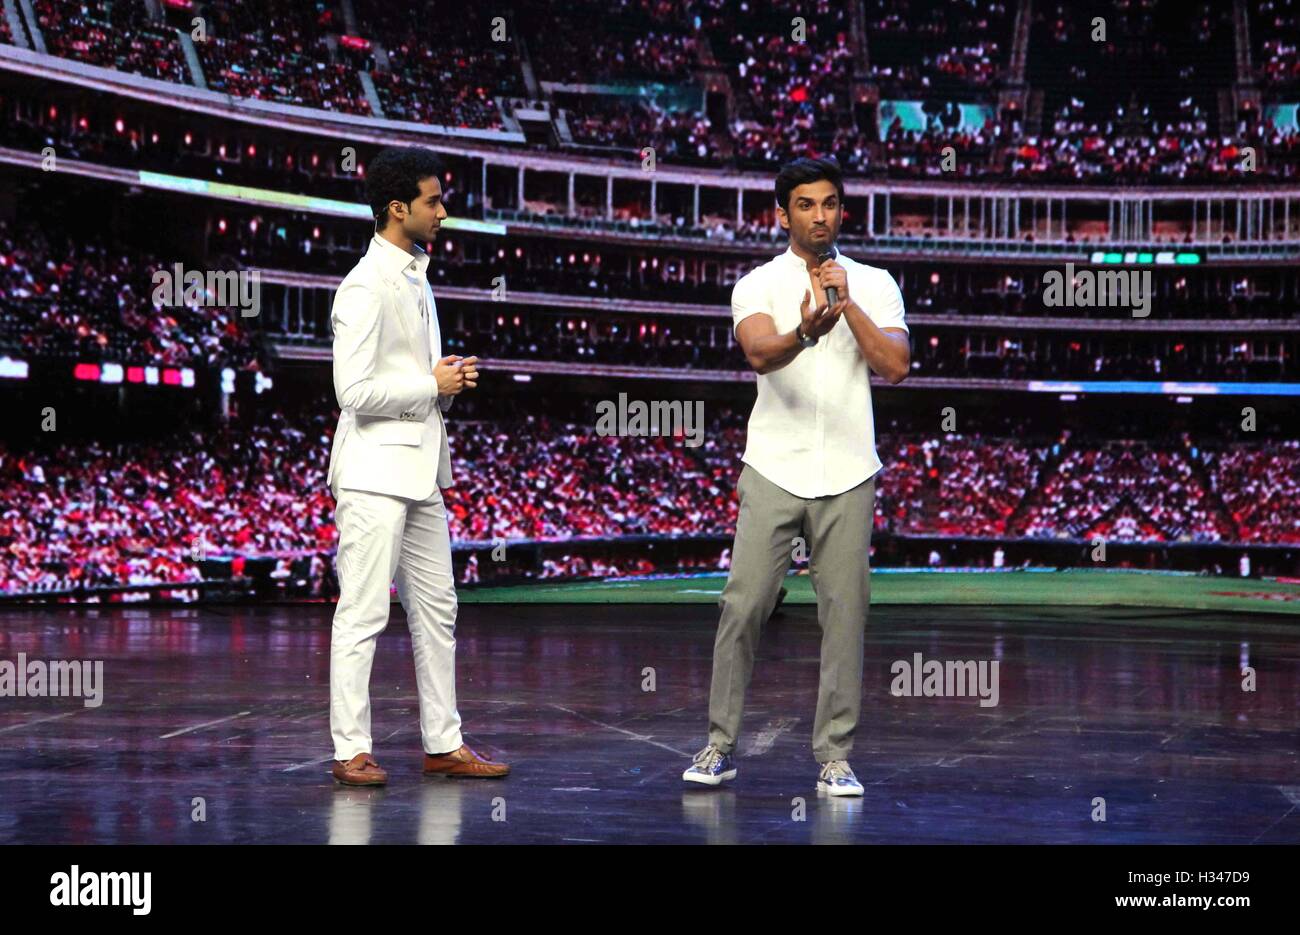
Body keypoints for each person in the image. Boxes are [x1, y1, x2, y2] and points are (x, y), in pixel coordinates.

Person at [682, 157, 910, 797]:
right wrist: (807, 330)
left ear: (842, 211)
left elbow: (895, 366)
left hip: (848, 470)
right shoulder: (756, 282)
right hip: (773, 467)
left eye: (830, 204)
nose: (820, 215)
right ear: (782, 215)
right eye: (806, 205)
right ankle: (718, 747)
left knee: (845, 616)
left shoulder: (875, 282)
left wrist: (847, 303)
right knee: (743, 606)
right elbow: (758, 351)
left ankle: (835, 757)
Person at [326, 146, 507, 786]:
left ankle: (443, 742)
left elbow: (407, 379)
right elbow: (353, 393)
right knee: (365, 612)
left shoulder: (415, 274)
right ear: (397, 209)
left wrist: (443, 383)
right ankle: (350, 748)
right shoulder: (363, 285)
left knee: (439, 611)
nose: (443, 211)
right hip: (374, 472)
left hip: (422, 472)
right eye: (433, 201)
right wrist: (432, 384)